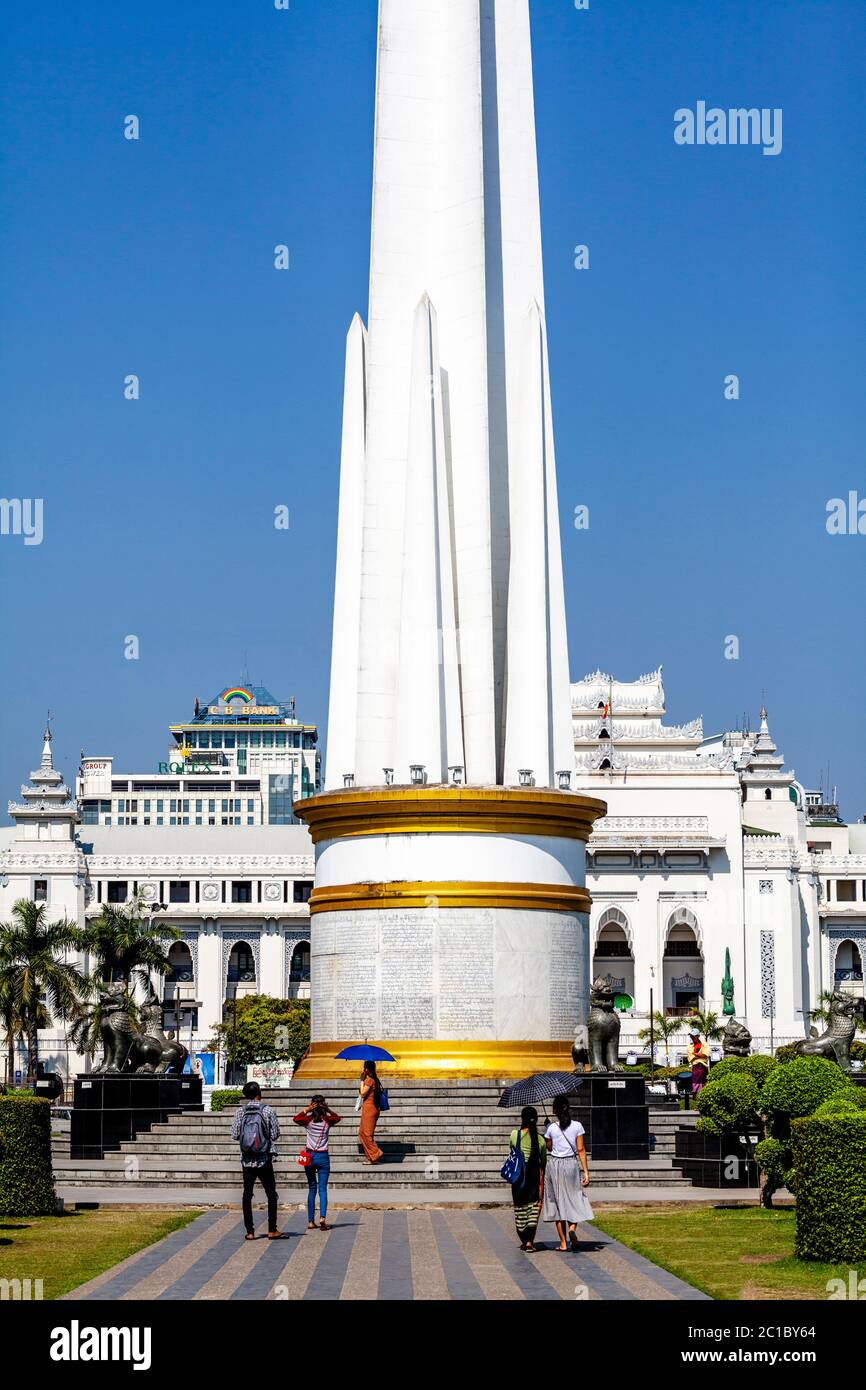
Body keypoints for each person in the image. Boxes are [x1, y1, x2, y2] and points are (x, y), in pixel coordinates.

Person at [231, 1081, 283, 1241]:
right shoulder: (267, 1110)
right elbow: (275, 1134)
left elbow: (234, 1134)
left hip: (247, 1160)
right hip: (264, 1158)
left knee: (247, 1194)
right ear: (259, 1092)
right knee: (271, 1194)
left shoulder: (241, 1112)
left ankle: (250, 1231)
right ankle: (272, 1230)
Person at [542, 1094, 593, 1252]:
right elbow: (581, 1149)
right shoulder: (577, 1126)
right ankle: (572, 1229)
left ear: (555, 1110)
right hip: (571, 1164)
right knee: (575, 1198)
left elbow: (549, 1148)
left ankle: (563, 1243)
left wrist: (547, 1130)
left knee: (557, 1203)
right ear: (568, 1108)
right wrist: (586, 1172)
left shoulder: (551, 1128)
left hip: (555, 1165)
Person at [293, 1094, 341, 1231]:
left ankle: (310, 1221)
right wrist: (328, 1109)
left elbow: (296, 1119)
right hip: (323, 1157)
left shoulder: (308, 1120)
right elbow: (337, 1118)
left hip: (310, 1156)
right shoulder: (328, 1120)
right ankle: (322, 1219)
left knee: (312, 1188)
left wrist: (307, 1109)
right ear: (324, 1104)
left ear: (312, 1105)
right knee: (322, 1189)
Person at [508, 1105, 547, 1251]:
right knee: (532, 1206)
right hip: (533, 1176)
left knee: (520, 1207)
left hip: (518, 1177)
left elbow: (512, 1150)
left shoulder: (514, 1135)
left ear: (522, 1119)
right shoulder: (540, 1140)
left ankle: (524, 1239)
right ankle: (530, 1241)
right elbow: (543, 1161)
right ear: (536, 1120)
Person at [358, 1060, 384, 1164]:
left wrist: (361, 1080)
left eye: (364, 1068)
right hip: (372, 1108)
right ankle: (371, 1158)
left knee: (366, 1134)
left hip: (370, 1109)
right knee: (362, 1133)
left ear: (367, 1069)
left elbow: (363, 1093)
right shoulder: (376, 1080)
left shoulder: (369, 1080)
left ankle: (376, 1153)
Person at [688, 1028, 710, 1096]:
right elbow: (691, 1058)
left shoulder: (705, 1044)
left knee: (704, 1083)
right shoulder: (690, 1046)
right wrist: (701, 1055)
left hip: (703, 1067)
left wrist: (696, 1055)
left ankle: (703, 1096)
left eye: (693, 1036)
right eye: (691, 1036)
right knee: (696, 1084)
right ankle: (696, 1097)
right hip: (696, 1068)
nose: (692, 1037)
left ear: (698, 1036)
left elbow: (706, 1055)